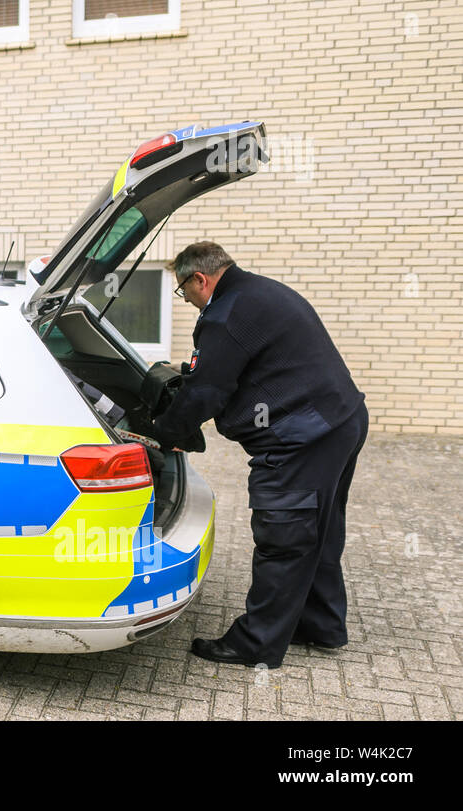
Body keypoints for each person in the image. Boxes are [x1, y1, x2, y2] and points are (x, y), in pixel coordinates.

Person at [150, 242, 368, 668]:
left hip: (300, 438)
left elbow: (207, 391)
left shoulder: (224, 314)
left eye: (183, 291)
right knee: (318, 529)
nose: (187, 301)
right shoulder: (260, 293)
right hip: (340, 421)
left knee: (283, 536)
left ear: (200, 279)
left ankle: (256, 644)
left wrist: (168, 434)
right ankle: (320, 624)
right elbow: (232, 366)